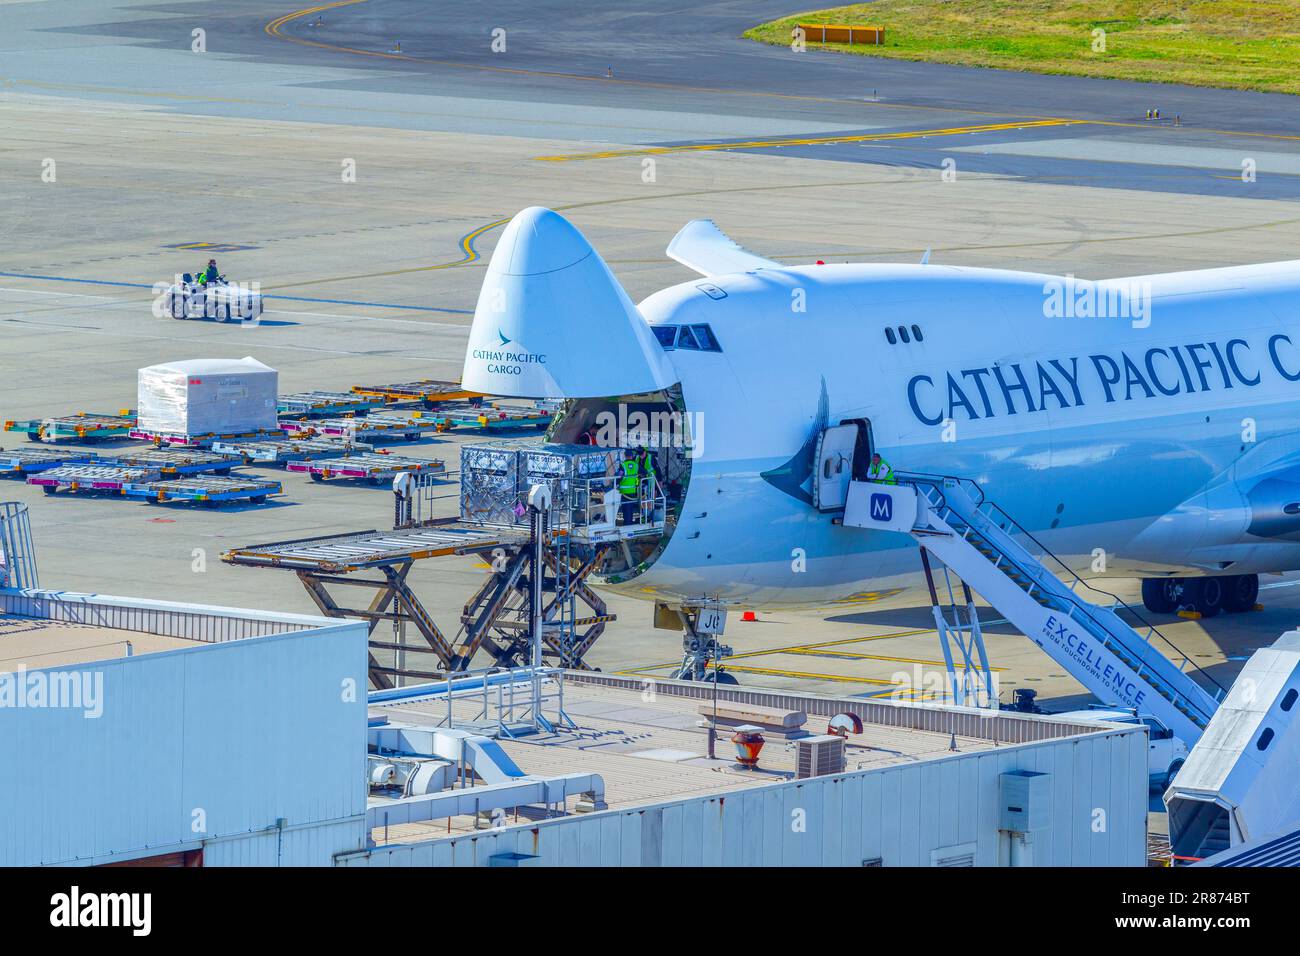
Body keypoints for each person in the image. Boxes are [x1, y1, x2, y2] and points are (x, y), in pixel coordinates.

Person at [617, 449, 641, 525]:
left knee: (625, 509)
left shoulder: (623, 465)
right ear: (632, 456)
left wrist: (616, 484)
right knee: (630, 508)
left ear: (625, 455)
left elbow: (619, 476)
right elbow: (644, 472)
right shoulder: (636, 465)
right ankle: (629, 523)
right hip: (633, 490)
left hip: (624, 492)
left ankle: (627, 524)